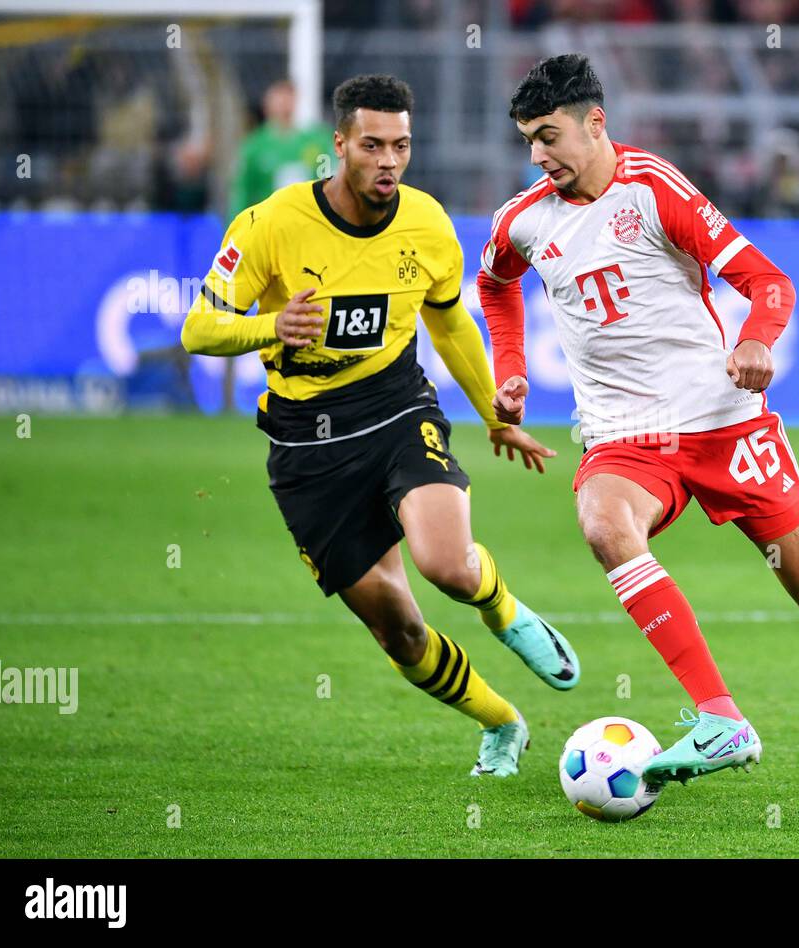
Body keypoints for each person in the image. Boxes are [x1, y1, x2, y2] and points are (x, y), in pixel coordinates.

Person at [477, 54, 799, 786]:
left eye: (548, 137)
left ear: (595, 124)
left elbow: (767, 281)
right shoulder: (524, 220)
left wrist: (758, 338)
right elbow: (493, 283)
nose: (538, 157)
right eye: (527, 142)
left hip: (722, 420)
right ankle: (722, 719)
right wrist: (509, 367)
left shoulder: (655, 190)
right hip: (623, 435)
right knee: (605, 525)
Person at [182, 74, 579, 775]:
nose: (388, 160)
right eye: (372, 145)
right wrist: (270, 325)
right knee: (397, 630)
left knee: (446, 565)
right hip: (305, 442)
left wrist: (495, 415)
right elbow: (196, 328)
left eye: (401, 145)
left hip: (395, 406)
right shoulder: (271, 224)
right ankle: (502, 723)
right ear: (339, 145)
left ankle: (506, 612)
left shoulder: (425, 223)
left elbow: (450, 318)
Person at [228, 78, 334, 218]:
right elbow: (243, 192)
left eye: (288, 97)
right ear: (267, 102)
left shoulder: (316, 141)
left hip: (306, 221)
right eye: (279, 98)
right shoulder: (254, 146)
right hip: (268, 223)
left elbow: (328, 180)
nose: (284, 104)